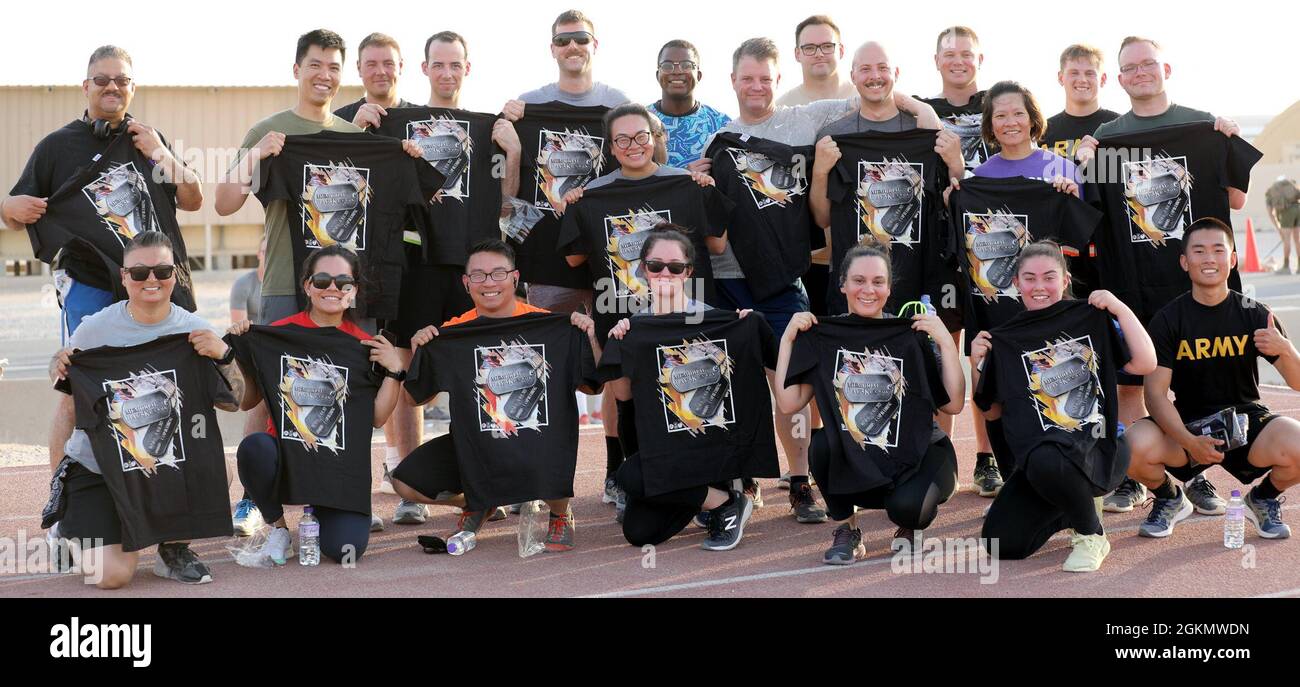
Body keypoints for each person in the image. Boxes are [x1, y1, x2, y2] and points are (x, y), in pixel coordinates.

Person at [3, 45, 202, 475]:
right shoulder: (56, 147)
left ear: (132, 87)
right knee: (80, 388)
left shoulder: (150, 139)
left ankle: (164, 516)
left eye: (122, 80)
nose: (112, 87)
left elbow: (193, 198)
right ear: (86, 86)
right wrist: (7, 207)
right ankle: (64, 506)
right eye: (102, 79)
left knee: (160, 387)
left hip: (153, 284)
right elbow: (17, 210)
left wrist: (161, 155)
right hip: (91, 282)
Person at [1075, 36, 1246, 516]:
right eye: (1131, 68)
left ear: (1165, 68)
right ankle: (1139, 477)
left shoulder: (1202, 126)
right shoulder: (1109, 139)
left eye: (1148, 63)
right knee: (1132, 377)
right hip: (1134, 278)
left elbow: (1235, 200)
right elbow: (1086, 206)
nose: (1141, 72)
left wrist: (1226, 142)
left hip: (1198, 280)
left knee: (1200, 376)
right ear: (1122, 79)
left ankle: (1199, 475)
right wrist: (1085, 162)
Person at [47, 232, 243, 589]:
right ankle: (70, 521)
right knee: (111, 577)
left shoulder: (194, 330)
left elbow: (234, 401)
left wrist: (224, 355)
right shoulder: (96, 328)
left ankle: (173, 549)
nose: (151, 280)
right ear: (124, 277)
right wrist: (57, 364)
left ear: (176, 275)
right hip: (101, 467)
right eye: (139, 273)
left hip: (162, 462)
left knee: (217, 469)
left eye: (162, 271)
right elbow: (62, 387)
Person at [556, 103, 724, 519]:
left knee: (689, 391)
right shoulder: (593, 194)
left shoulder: (685, 185)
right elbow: (575, 261)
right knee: (627, 394)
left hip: (682, 313)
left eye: (641, 136)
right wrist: (575, 205)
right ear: (611, 147)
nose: (633, 145)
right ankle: (637, 479)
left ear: (655, 138)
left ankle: (716, 483)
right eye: (622, 139)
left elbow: (717, 244)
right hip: (619, 309)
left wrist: (702, 187)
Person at [390, 239, 602, 550]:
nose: (488, 283)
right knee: (404, 481)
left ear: (515, 278)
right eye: (478, 275)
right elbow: (416, 399)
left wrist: (590, 336)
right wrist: (420, 352)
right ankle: (479, 501)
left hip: (537, 444)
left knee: (553, 434)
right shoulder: (452, 333)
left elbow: (591, 386)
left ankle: (560, 513)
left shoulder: (549, 324)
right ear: (466, 283)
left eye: (498, 273)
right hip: (478, 447)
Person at [972, 241, 1157, 572]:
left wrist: (1120, 308)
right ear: (1015, 283)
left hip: (1101, 450)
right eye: (1029, 278)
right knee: (1000, 544)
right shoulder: (1006, 339)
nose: (1039, 286)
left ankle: (1091, 534)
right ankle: (1075, 508)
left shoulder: (1091, 319)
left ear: (1065, 279)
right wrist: (978, 363)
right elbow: (991, 412)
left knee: (1046, 454)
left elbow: (1145, 362)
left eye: (1049, 277)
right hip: (1044, 466)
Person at [774, 245, 965, 564]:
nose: (868, 289)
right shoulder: (824, 337)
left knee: (908, 509)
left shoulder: (911, 335)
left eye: (878, 281)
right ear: (842, 285)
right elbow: (788, 402)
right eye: (859, 280)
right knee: (821, 445)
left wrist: (945, 340)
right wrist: (788, 339)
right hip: (858, 456)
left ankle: (909, 525)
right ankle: (847, 529)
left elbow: (955, 404)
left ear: (889, 288)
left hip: (920, 454)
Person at [940, 80, 1085, 499]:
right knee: (994, 387)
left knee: (1053, 384)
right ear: (989, 124)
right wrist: (957, 197)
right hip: (993, 308)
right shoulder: (979, 178)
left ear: (1033, 118)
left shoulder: (1060, 170)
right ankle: (999, 464)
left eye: (1018, 113)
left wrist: (1071, 196)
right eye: (1000, 115)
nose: (1010, 122)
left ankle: (1067, 468)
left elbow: (1076, 245)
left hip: (1046, 309)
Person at [1125, 218, 1300, 541]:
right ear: (1184, 261)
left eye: (1219, 250)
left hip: (1246, 421)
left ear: (1232, 260)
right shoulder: (1168, 319)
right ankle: (1169, 498)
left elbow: (1298, 382)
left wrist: (1287, 351)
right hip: (1189, 424)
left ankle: (1262, 499)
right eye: (1199, 251)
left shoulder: (1255, 312)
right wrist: (1190, 441)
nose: (1209, 259)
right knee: (1130, 447)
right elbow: (1155, 396)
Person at [228, 244, 405, 565]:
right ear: (307, 285)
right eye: (322, 281)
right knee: (255, 448)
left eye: (343, 282)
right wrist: (237, 355)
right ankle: (278, 527)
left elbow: (378, 418)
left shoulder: (363, 347)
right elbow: (247, 401)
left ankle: (325, 511)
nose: (332, 288)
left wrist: (394, 370)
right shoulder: (276, 334)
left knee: (344, 551)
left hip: (336, 470)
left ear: (354, 291)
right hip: (286, 461)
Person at [604, 226, 773, 551]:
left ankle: (725, 494)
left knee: (633, 481)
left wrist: (746, 328)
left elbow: (758, 379)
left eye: (675, 267)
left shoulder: (719, 322)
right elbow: (625, 404)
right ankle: (721, 502)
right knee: (638, 532)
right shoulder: (635, 329)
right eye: (655, 266)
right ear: (642, 269)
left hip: (713, 450)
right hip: (667, 457)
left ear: (689, 272)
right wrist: (619, 345)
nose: (665, 273)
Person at [646, 40, 731, 169]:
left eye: (686, 65)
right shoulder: (640, 121)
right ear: (658, 75)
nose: (677, 71)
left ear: (699, 75)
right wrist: (685, 177)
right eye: (667, 65)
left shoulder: (721, 125)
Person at [230, 236, 266, 536]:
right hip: (261, 345)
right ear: (258, 252)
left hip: (287, 336)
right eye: (265, 251)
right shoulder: (244, 284)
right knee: (260, 397)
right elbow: (239, 329)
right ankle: (249, 498)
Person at [920, 26, 990, 169]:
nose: (958, 61)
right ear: (937, 60)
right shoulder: (920, 112)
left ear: (980, 60)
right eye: (950, 54)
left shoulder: (1001, 106)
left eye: (966, 54)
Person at [1041, 44, 1118, 162]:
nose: (1082, 80)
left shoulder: (1120, 127)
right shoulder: (1042, 133)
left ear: (1102, 79)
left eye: (1089, 73)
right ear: (1061, 78)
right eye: (1074, 73)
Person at [334, 33, 413, 126]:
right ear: (359, 68)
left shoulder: (423, 120)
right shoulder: (338, 122)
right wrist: (354, 130)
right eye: (371, 64)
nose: (381, 72)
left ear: (400, 66)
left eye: (388, 63)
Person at [775, 15, 856, 106]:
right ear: (797, 54)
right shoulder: (783, 108)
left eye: (827, 46)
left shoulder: (863, 101)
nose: (819, 54)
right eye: (809, 48)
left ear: (841, 51)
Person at [1265, 176, 1300, 275]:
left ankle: (1286, 267)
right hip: (1298, 208)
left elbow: (1270, 213)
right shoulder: (1290, 187)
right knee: (1297, 240)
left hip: (1287, 213)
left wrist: (1278, 227)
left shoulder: (1270, 193)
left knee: (1286, 240)